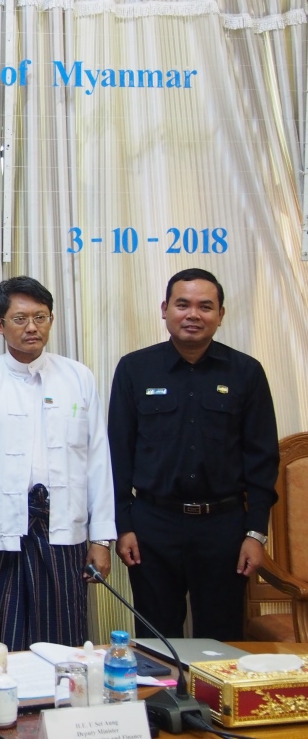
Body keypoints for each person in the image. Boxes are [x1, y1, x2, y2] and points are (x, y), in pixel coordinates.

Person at [108, 268, 278, 640]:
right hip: (153, 525)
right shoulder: (135, 369)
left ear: (220, 314)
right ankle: (159, 701)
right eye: (182, 304)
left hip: (225, 527)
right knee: (156, 638)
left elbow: (263, 461)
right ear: (165, 309)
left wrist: (256, 533)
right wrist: (124, 525)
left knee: (222, 637)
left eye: (205, 306)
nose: (193, 314)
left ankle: (217, 701)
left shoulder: (246, 372)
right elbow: (117, 456)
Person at [0, 276, 115, 649]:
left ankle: (59, 709)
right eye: (20, 319)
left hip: (62, 532)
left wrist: (101, 539)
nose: (32, 327)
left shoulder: (78, 377)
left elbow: (98, 462)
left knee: (63, 640)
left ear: (51, 320)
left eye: (40, 317)